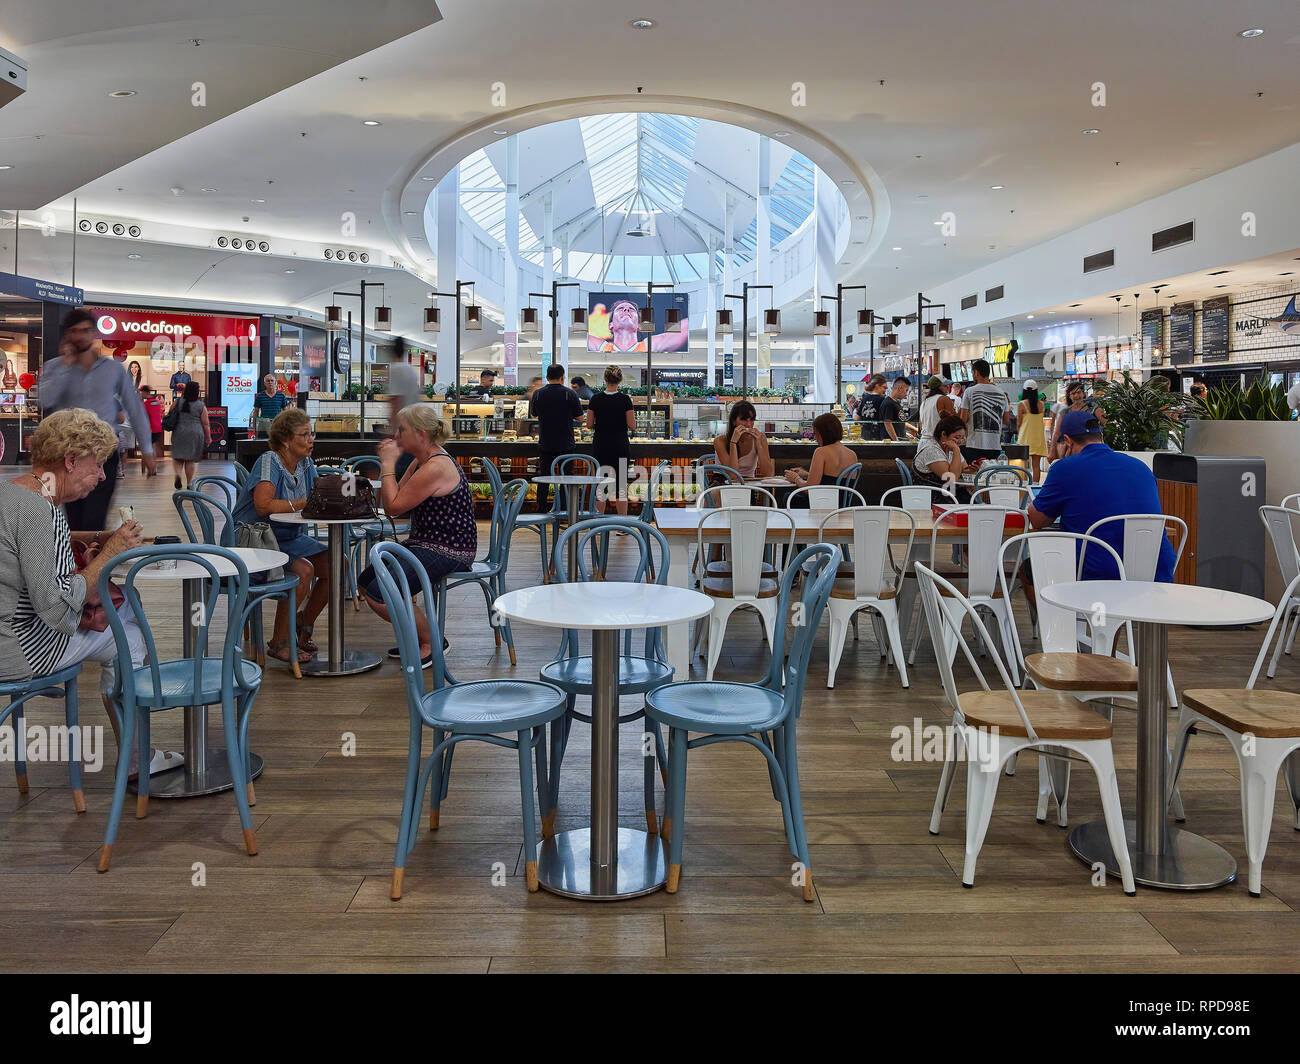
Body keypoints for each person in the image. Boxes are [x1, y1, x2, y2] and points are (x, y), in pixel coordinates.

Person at [0, 409, 179, 777]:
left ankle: (140, 732)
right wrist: (110, 554)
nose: (101, 476)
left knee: (129, 608)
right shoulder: (40, 512)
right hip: (18, 648)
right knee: (128, 639)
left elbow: (34, 554)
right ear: (70, 460)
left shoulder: (15, 492)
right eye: (97, 465)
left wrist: (93, 541)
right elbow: (54, 605)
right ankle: (137, 758)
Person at [362, 405, 476, 666]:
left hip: (450, 549)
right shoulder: (422, 460)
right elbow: (397, 497)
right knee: (366, 581)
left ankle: (431, 642)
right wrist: (392, 469)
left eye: (402, 430)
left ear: (421, 435)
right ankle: (417, 638)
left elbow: (392, 507)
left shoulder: (436, 466)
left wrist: (388, 464)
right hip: (425, 544)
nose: (397, 436)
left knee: (379, 592)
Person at [39, 309, 157, 530]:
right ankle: (78, 562)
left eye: (85, 330)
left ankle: (94, 560)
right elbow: (45, 400)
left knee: (95, 517)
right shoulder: (55, 367)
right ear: (67, 335)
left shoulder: (113, 369)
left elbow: (134, 407)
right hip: (68, 454)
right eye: (74, 331)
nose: (80, 336)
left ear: (94, 333)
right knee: (73, 519)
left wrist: (147, 451)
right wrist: (65, 366)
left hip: (103, 453)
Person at [231, 408, 330, 665]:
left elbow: (316, 498)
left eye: (312, 433)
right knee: (304, 570)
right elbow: (263, 506)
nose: (311, 439)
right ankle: (279, 643)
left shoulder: (306, 463)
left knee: (336, 564)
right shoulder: (269, 461)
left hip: (286, 537)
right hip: (254, 540)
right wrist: (303, 503)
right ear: (286, 440)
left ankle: (303, 625)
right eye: (304, 434)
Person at [1028, 410, 1176, 581]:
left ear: (1067, 441)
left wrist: (1062, 460)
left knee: (1030, 569)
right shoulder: (1140, 467)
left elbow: (1037, 520)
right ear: (1101, 438)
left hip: (1099, 579)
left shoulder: (1065, 468)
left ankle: (1064, 609)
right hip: (1155, 576)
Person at [529, 363, 583, 510]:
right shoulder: (569, 393)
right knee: (566, 478)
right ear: (562, 377)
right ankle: (564, 509)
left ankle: (542, 510)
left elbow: (533, 414)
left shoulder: (538, 393)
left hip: (546, 442)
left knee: (544, 477)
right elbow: (580, 418)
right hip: (566, 443)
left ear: (547, 377)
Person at [586, 365, 635, 517]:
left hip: (601, 445)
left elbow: (588, 424)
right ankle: (622, 526)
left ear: (605, 379)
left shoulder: (595, 399)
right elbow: (632, 425)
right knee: (621, 486)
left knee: (601, 487)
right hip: (620, 445)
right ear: (619, 380)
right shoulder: (625, 399)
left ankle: (598, 525)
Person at [784, 413, 858, 492]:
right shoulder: (852, 454)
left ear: (824, 433)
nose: (815, 437)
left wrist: (795, 478)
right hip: (844, 503)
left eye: (816, 433)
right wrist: (807, 474)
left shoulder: (821, 452)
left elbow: (809, 489)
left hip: (821, 502)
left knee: (788, 496)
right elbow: (833, 481)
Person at [959, 358, 1010, 463]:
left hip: (974, 444)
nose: (973, 375)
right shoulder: (1001, 393)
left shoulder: (969, 392)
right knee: (991, 476)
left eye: (972, 372)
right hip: (995, 445)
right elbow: (1006, 420)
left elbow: (963, 419)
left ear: (976, 373)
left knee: (975, 475)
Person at [714, 400, 773, 478]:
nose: (749, 424)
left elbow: (768, 474)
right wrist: (733, 443)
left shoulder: (760, 438)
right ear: (733, 421)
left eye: (752, 420)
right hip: (723, 482)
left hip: (748, 483)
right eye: (744, 419)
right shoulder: (720, 441)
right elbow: (732, 475)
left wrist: (759, 445)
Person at [169, 381, 211, 491]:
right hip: (195, 433)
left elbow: (170, 413)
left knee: (178, 458)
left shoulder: (178, 402)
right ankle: (188, 483)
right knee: (190, 460)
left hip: (179, 432)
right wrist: (208, 437)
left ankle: (178, 475)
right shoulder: (200, 405)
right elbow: (206, 424)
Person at [913, 414, 971, 491]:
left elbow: (965, 470)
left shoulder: (951, 449)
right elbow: (951, 479)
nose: (960, 442)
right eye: (957, 437)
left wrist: (973, 470)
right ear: (943, 434)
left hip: (947, 493)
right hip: (929, 496)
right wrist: (956, 451)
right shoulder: (931, 450)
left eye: (962, 438)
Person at [1016, 379, 1048, 482]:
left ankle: (1024, 486)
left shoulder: (1022, 404)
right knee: (1036, 466)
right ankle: (1035, 486)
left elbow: (1019, 423)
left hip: (1025, 437)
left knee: (1023, 466)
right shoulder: (1041, 405)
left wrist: (1017, 434)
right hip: (1038, 438)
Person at [918, 375, 957, 441]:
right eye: (945, 386)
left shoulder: (924, 402)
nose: (947, 388)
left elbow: (921, 425)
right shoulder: (944, 399)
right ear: (938, 387)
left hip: (923, 441)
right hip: (938, 442)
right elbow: (954, 421)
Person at [856, 374, 888, 440]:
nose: (885, 390)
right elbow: (887, 420)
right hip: (877, 435)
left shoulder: (865, 398)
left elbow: (857, 418)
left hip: (864, 435)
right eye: (884, 387)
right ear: (877, 386)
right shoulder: (882, 400)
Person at [141, 385, 164, 457]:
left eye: (141, 392)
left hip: (150, 429)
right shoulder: (157, 402)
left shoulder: (146, 404)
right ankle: (153, 466)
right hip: (158, 428)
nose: (141, 394)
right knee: (153, 446)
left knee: (146, 451)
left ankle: (147, 467)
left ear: (145, 392)